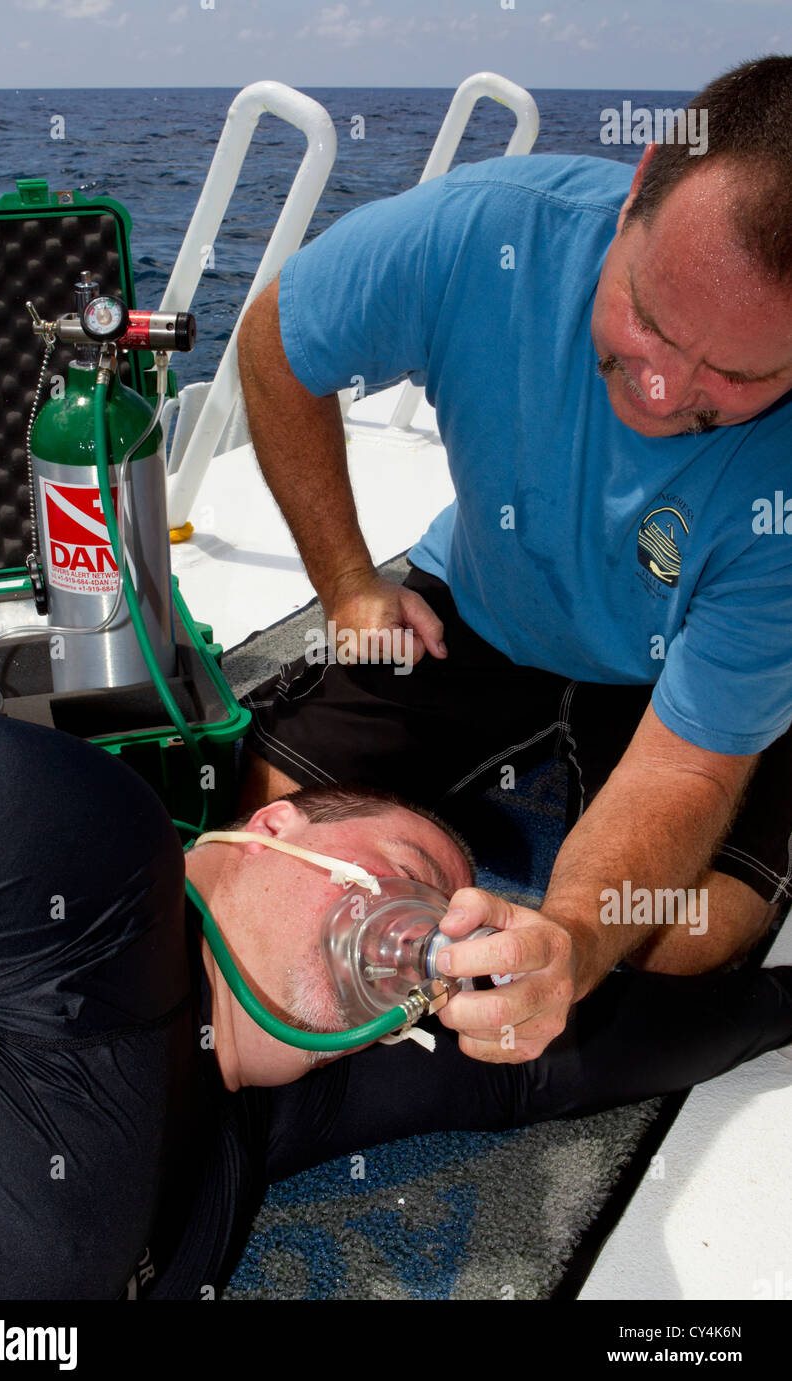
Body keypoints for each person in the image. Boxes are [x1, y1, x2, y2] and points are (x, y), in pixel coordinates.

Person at [236, 55, 792, 1069]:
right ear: (639, 186)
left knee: (676, 942)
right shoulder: (486, 231)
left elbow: (677, 765)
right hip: (483, 602)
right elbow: (277, 342)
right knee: (274, 801)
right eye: (652, 319)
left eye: (737, 374)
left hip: (682, 675)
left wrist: (569, 947)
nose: (665, 394)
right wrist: (349, 584)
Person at [0, 705, 791, 1301]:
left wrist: (784, 1002)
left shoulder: (271, 1112)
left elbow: (531, 1075)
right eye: (415, 874)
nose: (428, 937)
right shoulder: (85, 849)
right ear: (271, 830)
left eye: (444, 941)